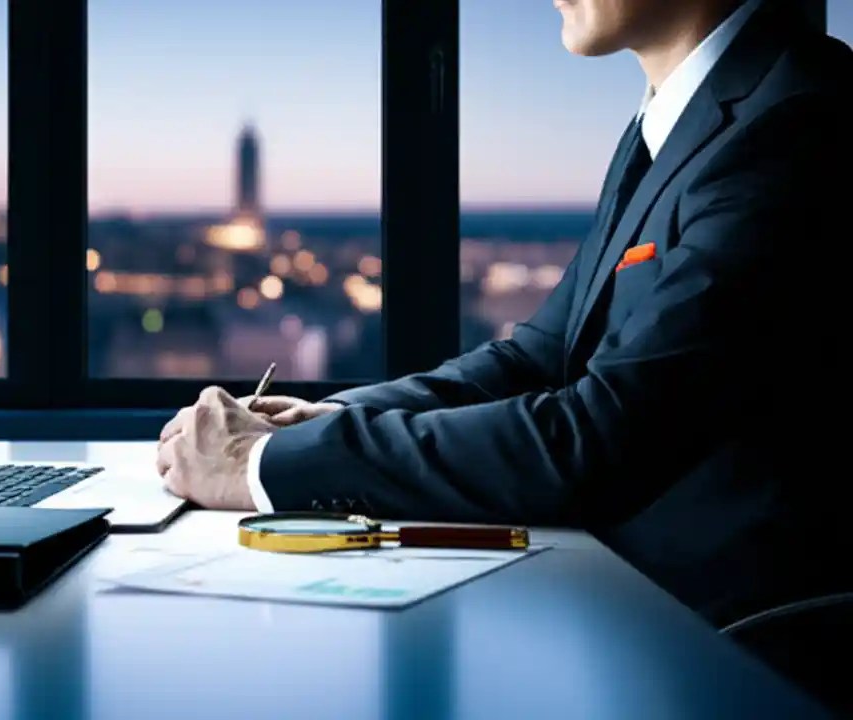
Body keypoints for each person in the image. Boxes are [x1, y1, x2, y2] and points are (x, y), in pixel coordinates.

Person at [156, 0, 852, 627]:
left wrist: (262, 465)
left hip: (733, 646)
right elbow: (537, 358)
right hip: (635, 603)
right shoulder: (680, 122)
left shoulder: (795, 119)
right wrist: (332, 419)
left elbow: (599, 436)